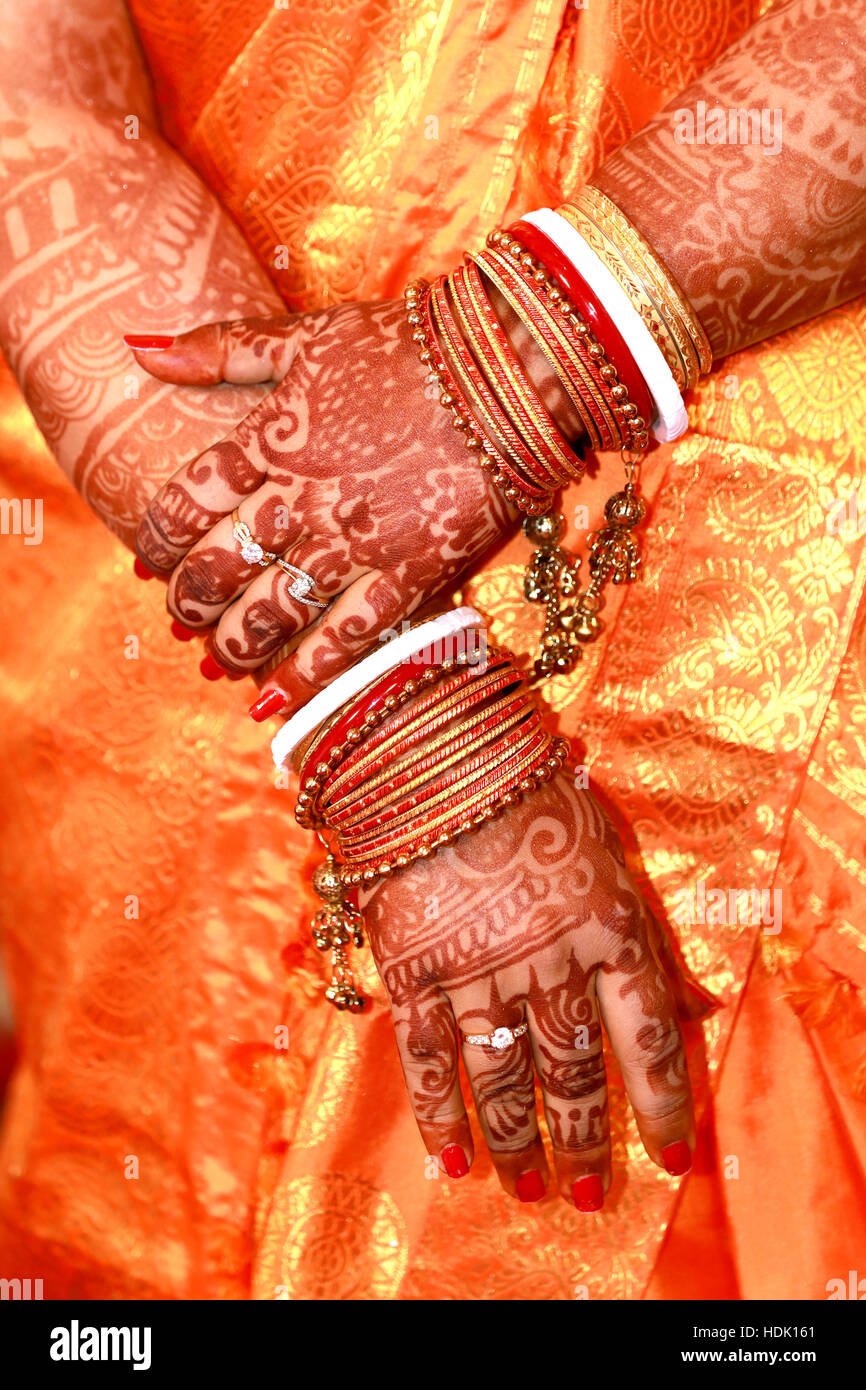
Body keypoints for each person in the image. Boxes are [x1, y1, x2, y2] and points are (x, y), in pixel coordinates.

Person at [0, 0, 864, 1299]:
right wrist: (385, 704)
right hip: (168, 587)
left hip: (765, 651)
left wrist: (522, 355)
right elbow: (32, 97)